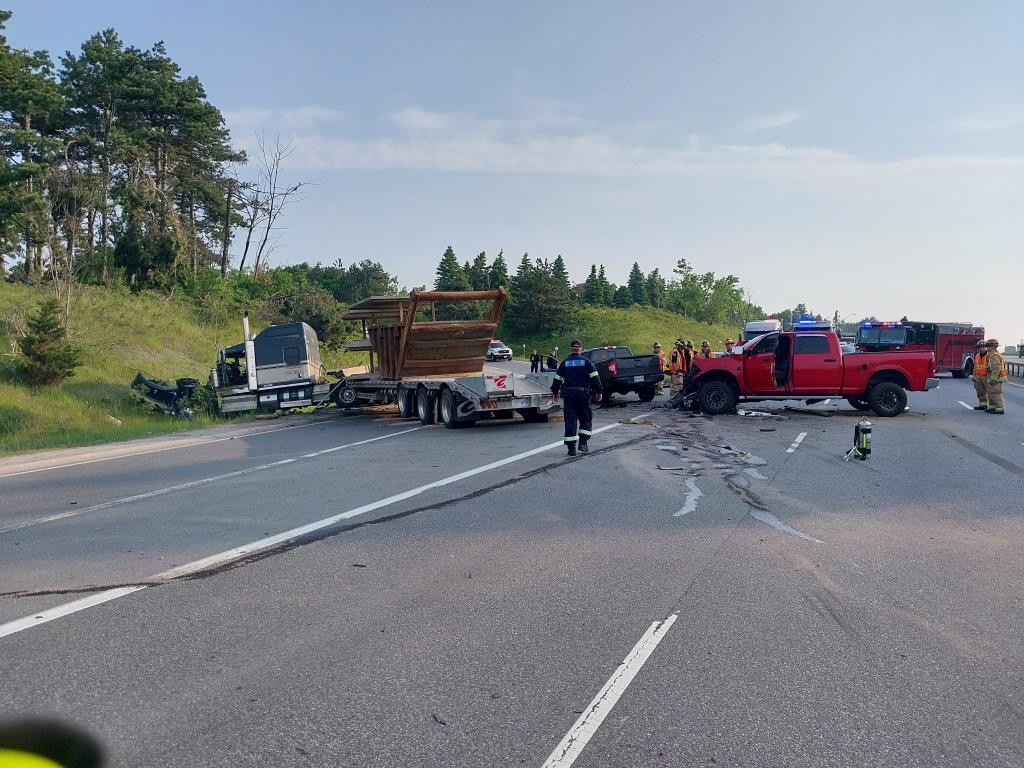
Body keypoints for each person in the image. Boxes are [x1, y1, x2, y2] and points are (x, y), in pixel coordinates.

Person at [551, 339, 603, 456]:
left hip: (568, 396)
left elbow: (557, 380)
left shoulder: (565, 363)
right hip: (583, 396)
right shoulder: (587, 362)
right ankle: (583, 444)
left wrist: (555, 392)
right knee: (585, 418)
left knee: (570, 420)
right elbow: (595, 379)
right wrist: (599, 391)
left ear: (571, 349)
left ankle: (571, 449)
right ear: (580, 349)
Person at [984, 338, 1007, 414]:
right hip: (992, 378)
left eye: (989, 346)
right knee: (990, 393)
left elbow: (996, 369)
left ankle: (1000, 408)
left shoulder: (994, 356)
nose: (987, 348)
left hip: (997, 379)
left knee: (996, 393)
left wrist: (993, 379)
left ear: (994, 347)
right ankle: (992, 407)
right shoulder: (990, 355)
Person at [971, 340, 989, 410]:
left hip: (986, 376)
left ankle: (991, 406)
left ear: (986, 347)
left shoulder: (989, 355)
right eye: (980, 347)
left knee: (989, 392)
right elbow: (975, 366)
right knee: (980, 391)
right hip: (978, 376)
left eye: (983, 347)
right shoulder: (977, 356)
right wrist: (974, 376)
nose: (982, 348)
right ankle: (982, 405)